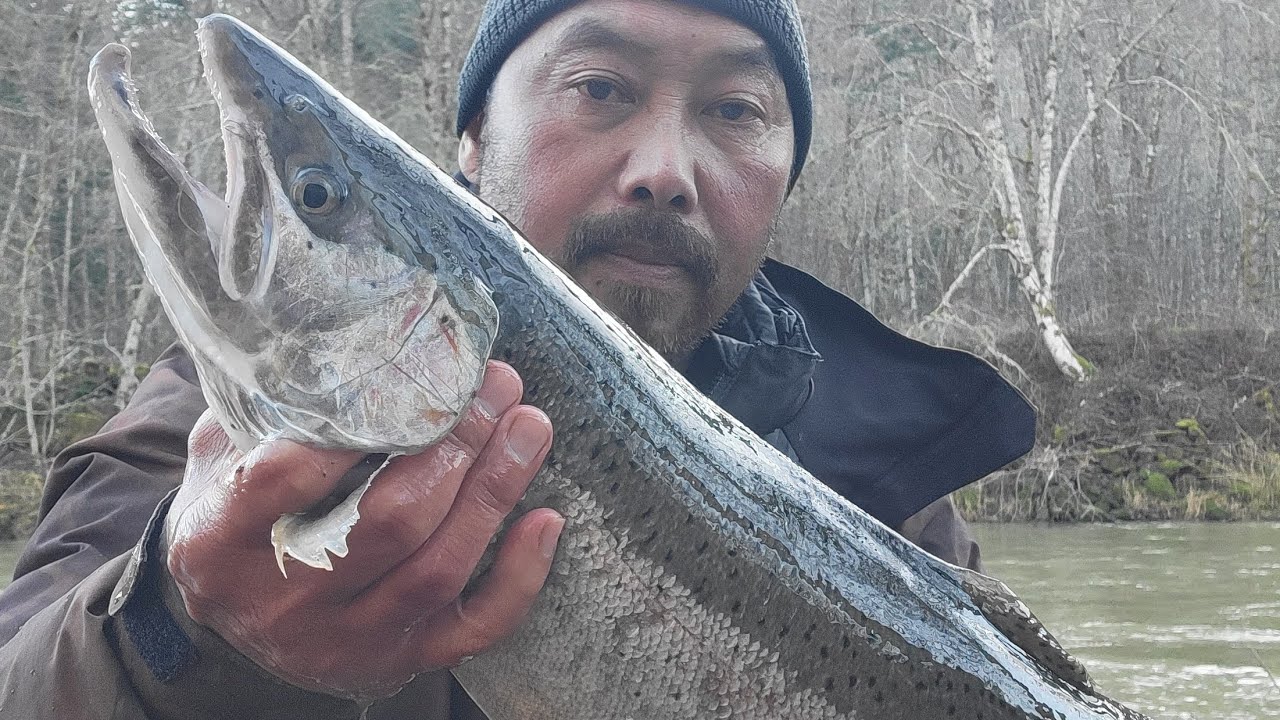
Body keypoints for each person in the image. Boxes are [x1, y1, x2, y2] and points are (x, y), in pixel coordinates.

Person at [0, 0, 1034, 717]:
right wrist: (180, 639)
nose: (663, 170)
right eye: (599, 88)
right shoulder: (208, 430)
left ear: (785, 176)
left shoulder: (887, 484)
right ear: (471, 142)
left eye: (735, 110)